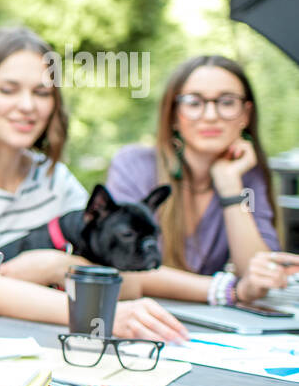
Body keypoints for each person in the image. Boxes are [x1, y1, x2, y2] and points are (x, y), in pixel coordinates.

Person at [0, 25, 187, 341]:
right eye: (8, 90)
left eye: (42, 92)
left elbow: (124, 278)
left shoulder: (52, 178)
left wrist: (55, 266)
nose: (27, 106)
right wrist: (97, 312)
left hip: (7, 345)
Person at [107, 55, 299, 305]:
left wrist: (231, 188)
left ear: (246, 114)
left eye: (227, 102)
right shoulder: (134, 165)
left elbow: (256, 275)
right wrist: (230, 291)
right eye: (194, 102)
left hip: (211, 328)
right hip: (138, 318)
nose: (210, 115)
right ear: (174, 114)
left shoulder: (247, 175)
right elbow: (121, 266)